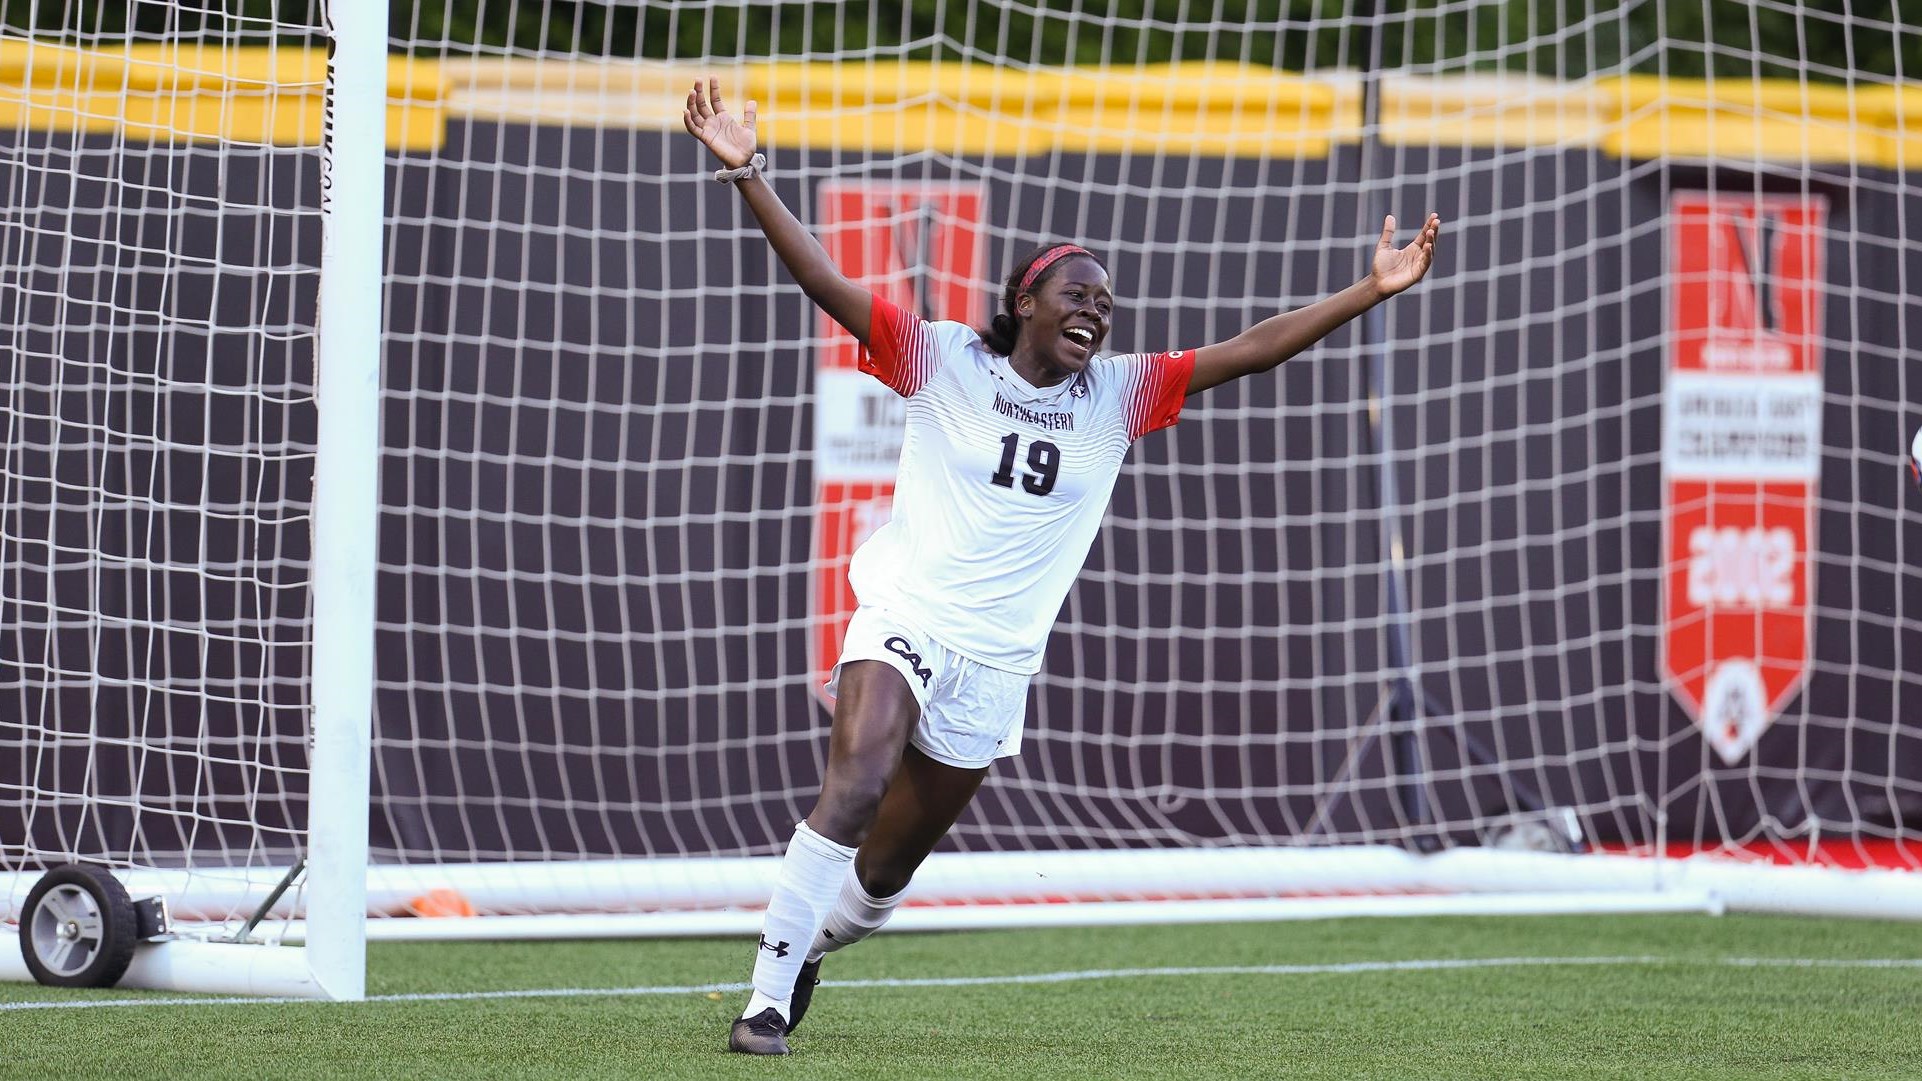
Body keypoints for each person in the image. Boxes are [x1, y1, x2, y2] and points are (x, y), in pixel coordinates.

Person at [682, 75, 1440, 1056]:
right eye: (1077, 294)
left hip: (998, 663)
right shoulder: (942, 358)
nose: (1096, 311)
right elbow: (827, 281)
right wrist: (748, 173)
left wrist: (1367, 291)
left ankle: (813, 947)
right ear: (1025, 302)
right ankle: (763, 1004)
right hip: (904, 616)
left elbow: (1251, 350)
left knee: (881, 879)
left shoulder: (1120, 394)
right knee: (857, 781)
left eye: (1106, 303)